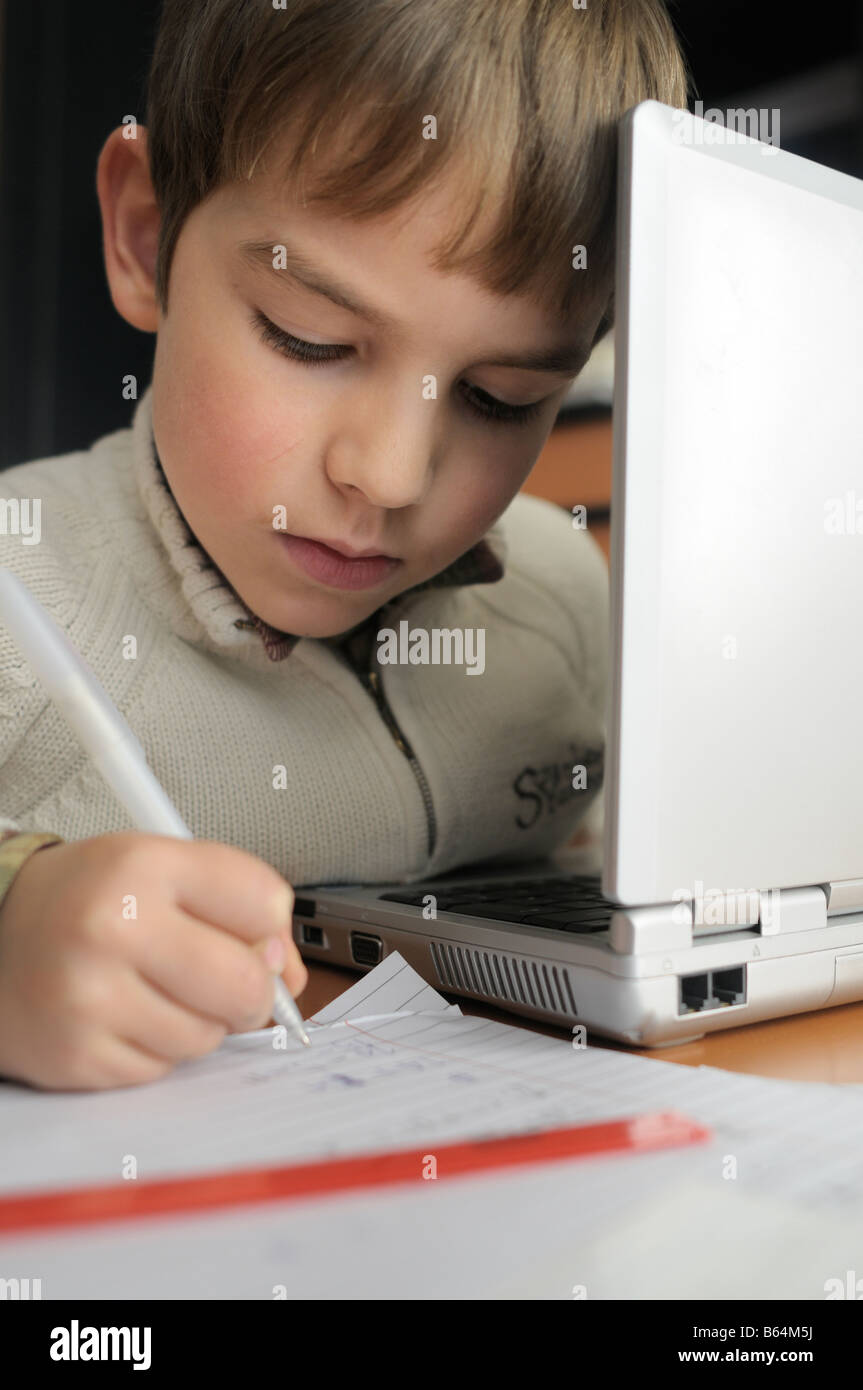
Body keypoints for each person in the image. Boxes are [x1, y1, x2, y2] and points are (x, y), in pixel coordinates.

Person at [0, 0, 690, 1089]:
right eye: (309, 338)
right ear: (145, 235)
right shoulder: (18, 589)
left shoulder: (562, 600)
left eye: (500, 397)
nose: (392, 475)